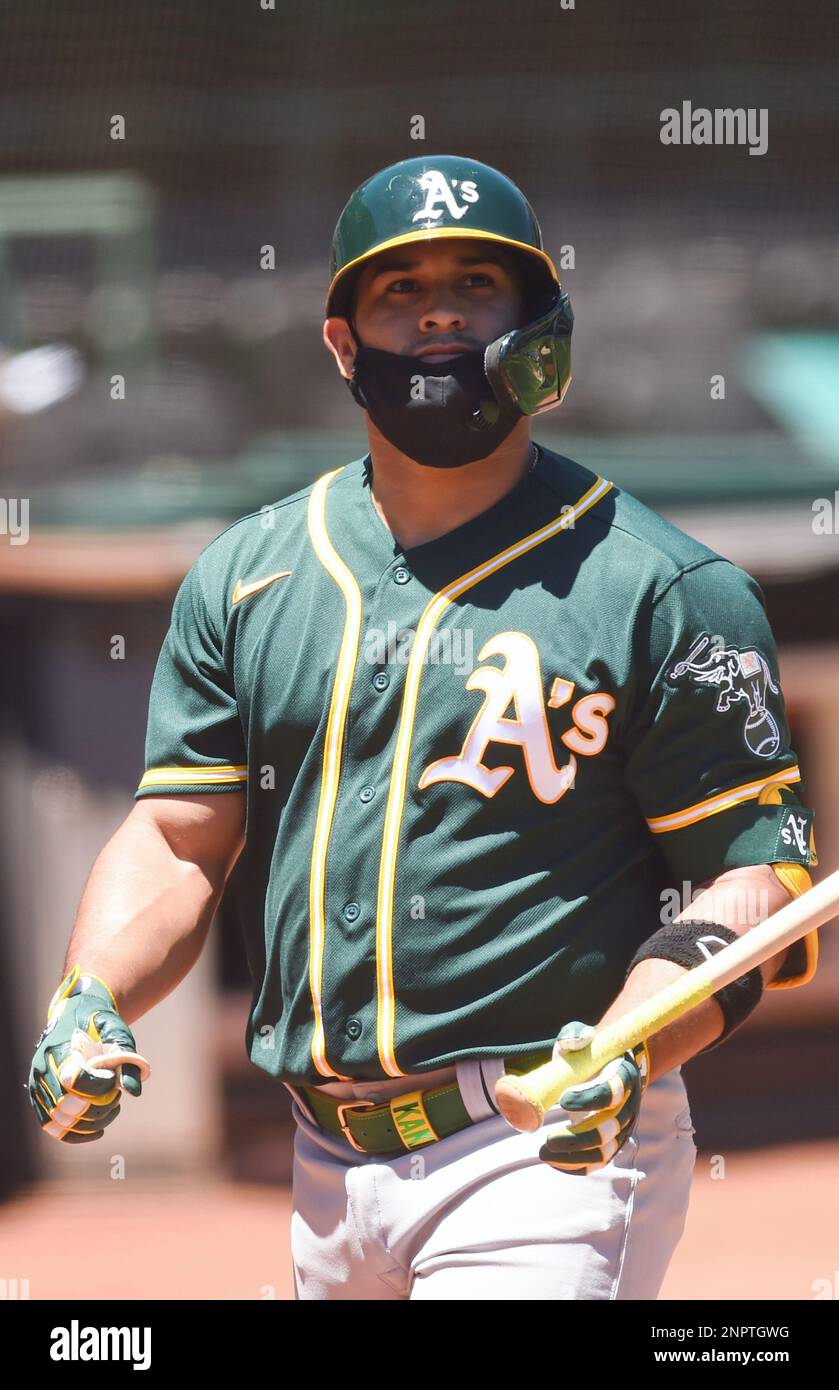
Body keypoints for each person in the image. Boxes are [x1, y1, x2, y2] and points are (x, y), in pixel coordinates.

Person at [28, 155, 819, 1301]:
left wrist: (628, 1045)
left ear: (540, 329)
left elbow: (758, 889)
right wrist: (89, 992)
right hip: (323, 1166)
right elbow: (178, 837)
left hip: (539, 1147)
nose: (439, 307)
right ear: (342, 343)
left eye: (475, 284)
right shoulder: (249, 576)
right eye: (400, 288)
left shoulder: (658, 587)